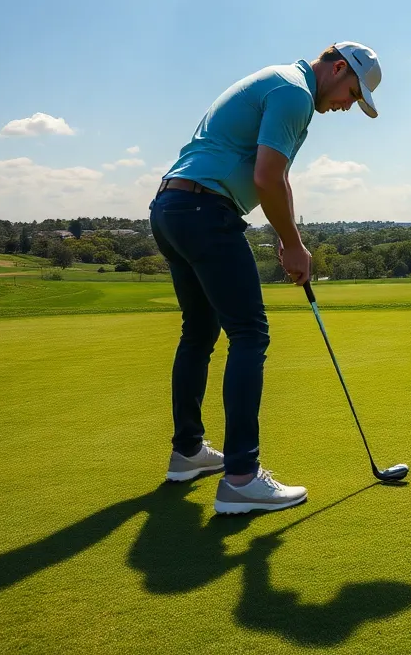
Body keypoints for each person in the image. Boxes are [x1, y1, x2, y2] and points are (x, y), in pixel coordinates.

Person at [149, 42, 382, 515]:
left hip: (171, 208)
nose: (346, 107)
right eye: (352, 94)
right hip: (205, 209)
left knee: (198, 333)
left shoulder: (279, 81)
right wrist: (294, 245)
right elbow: (266, 177)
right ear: (339, 69)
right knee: (250, 335)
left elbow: (280, 180)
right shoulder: (295, 93)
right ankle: (241, 477)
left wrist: (285, 237)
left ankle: (188, 452)